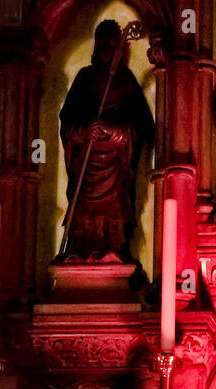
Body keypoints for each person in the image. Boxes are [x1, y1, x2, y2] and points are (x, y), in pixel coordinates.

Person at [59, 20, 154, 262]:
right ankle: (81, 249)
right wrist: (82, 132)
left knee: (114, 208)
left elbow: (143, 124)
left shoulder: (126, 79)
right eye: (102, 40)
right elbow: (67, 119)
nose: (107, 46)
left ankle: (113, 247)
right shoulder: (84, 77)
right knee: (83, 207)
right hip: (87, 158)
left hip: (115, 161)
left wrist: (119, 131)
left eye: (112, 41)